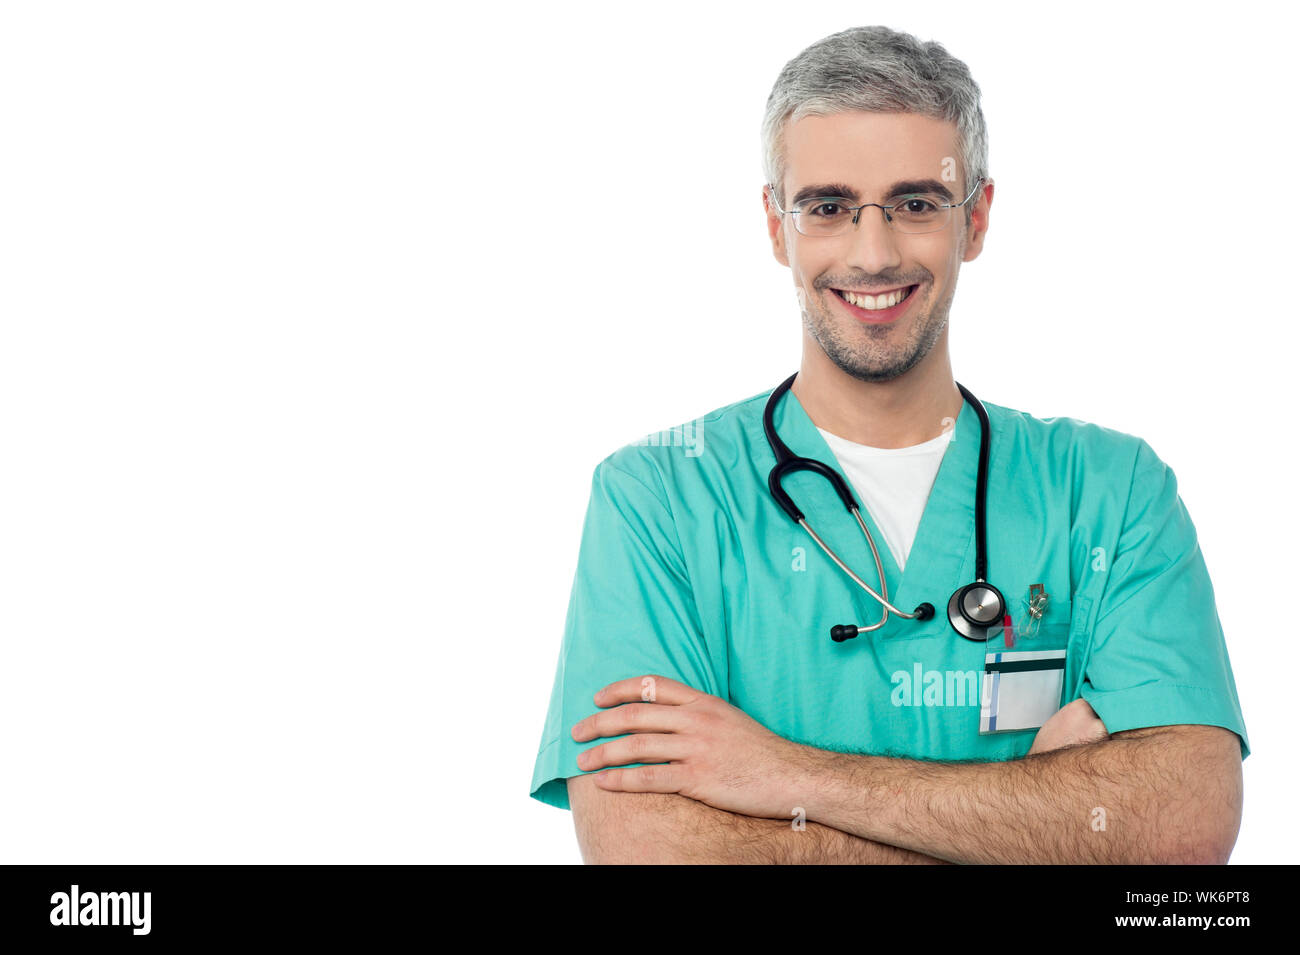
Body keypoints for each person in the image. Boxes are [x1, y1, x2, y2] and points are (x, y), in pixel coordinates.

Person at [528, 25, 1248, 864]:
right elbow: (644, 849)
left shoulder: (1112, 491)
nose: (872, 255)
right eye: (828, 207)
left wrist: (785, 774)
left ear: (974, 219)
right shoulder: (656, 499)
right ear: (775, 225)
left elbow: (1181, 827)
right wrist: (1036, 815)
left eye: (915, 203)